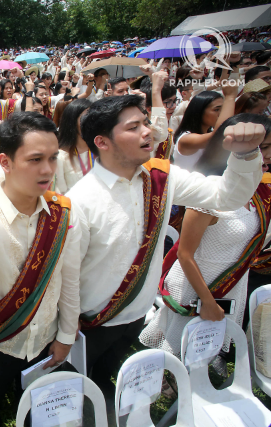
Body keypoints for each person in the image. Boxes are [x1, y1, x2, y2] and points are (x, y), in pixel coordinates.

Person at [66, 95, 265, 423]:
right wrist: (66, 327)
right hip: (91, 321)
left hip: (137, 313)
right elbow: (67, 271)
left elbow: (225, 197)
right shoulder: (81, 201)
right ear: (102, 142)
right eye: (134, 127)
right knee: (82, 385)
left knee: (108, 374)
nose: (149, 132)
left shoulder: (161, 178)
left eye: (145, 122)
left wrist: (244, 155)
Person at [0, 112, 80, 427]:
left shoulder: (61, 213)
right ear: (5, 162)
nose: (48, 170)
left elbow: (69, 279)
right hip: (0, 337)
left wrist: (65, 335)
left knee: (39, 401)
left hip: (46, 335)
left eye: (52, 158)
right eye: (35, 159)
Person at [140, 114, 271, 373]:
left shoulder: (261, 194)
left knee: (205, 350)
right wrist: (207, 300)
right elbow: (186, 254)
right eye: (261, 148)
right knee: (175, 353)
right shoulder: (211, 193)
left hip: (233, 284)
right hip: (195, 285)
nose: (265, 156)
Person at [173, 86, 237, 171]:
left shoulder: (207, 133)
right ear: (199, 112)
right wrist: (230, 97)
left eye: (222, 110)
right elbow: (219, 135)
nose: (221, 114)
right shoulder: (186, 139)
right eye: (216, 109)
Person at [54, 99, 93, 193]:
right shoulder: (60, 157)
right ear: (72, 121)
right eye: (85, 118)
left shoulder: (101, 150)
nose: (90, 123)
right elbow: (61, 193)